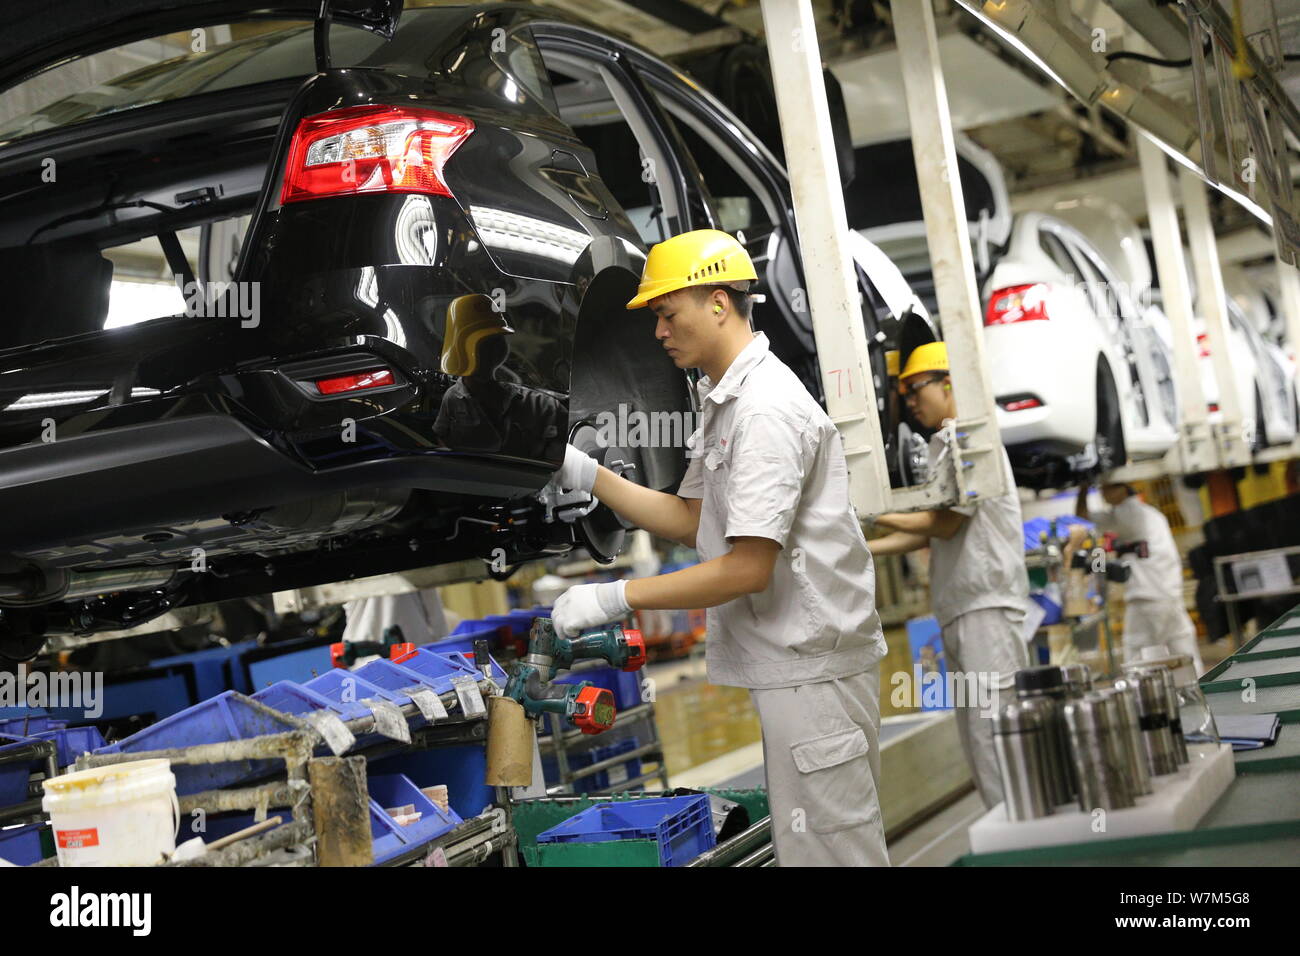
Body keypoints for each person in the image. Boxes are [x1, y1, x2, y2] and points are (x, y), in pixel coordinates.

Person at [549, 229, 889, 866]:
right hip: (797, 672)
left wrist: (617, 598)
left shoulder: (763, 410)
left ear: (718, 302)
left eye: (667, 313)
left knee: (835, 854)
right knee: (814, 847)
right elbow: (690, 521)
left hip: (814, 673)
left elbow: (748, 567)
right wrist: (590, 475)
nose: (659, 332)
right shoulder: (726, 401)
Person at [866, 341, 1029, 809]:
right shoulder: (948, 444)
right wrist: (861, 546)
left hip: (986, 608)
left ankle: (1020, 837)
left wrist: (870, 507)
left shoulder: (971, 439)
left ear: (949, 383)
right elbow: (931, 534)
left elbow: (943, 522)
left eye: (916, 389)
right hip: (965, 608)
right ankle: (1007, 826)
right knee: (978, 730)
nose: (911, 402)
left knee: (992, 728)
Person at [1076, 482, 1204, 673]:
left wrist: (1083, 488)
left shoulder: (1128, 514)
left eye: (1108, 488)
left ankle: (1139, 699)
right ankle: (1197, 690)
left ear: (1123, 488)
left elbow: (1081, 516)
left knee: (1137, 656)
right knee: (1183, 650)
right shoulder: (1151, 513)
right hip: (1169, 594)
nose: (1103, 494)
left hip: (1147, 598)